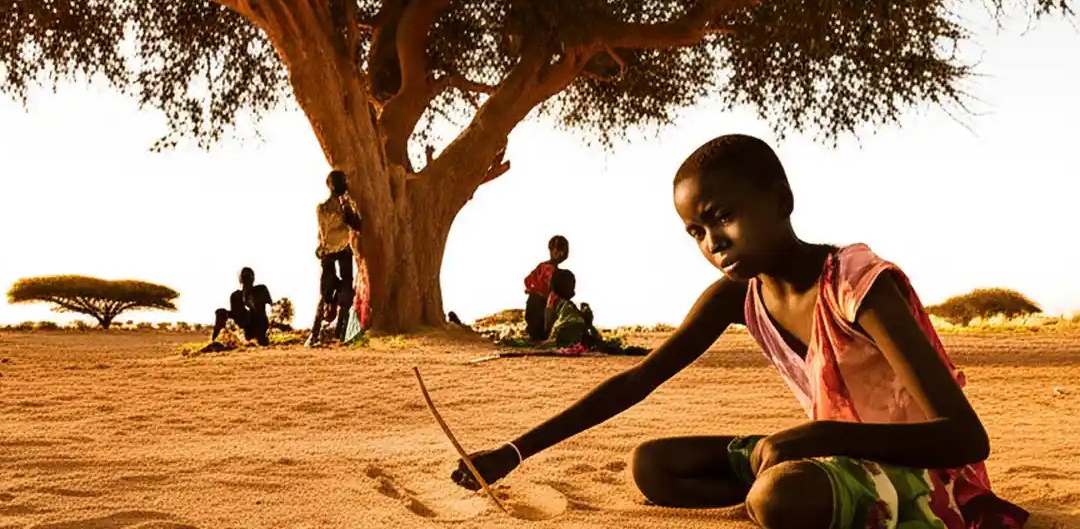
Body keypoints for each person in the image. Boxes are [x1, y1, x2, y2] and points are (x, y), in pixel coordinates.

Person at [452, 134, 1027, 529]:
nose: (713, 242)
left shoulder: (858, 283)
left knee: (781, 493)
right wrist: (512, 452)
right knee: (653, 466)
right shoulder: (739, 296)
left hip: (931, 476)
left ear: (781, 202)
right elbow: (639, 378)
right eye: (696, 231)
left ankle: (794, 497)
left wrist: (818, 438)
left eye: (723, 217)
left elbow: (965, 439)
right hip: (835, 455)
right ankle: (800, 495)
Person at [309, 170, 361, 346]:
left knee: (345, 291)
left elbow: (356, 225)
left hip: (344, 251)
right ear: (330, 185)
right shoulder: (323, 208)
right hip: (329, 253)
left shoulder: (346, 206)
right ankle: (315, 334)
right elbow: (323, 232)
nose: (341, 185)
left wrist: (348, 209)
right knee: (326, 292)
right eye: (338, 182)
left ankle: (341, 334)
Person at [523, 235, 568, 341]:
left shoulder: (556, 272)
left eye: (559, 250)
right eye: (554, 250)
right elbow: (528, 280)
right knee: (537, 319)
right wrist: (534, 289)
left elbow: (529, 280)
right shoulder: (546, 268)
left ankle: (539, 336)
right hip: (539, 300)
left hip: (543, 301)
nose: (556, 253)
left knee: (540, 320)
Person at [235, 267, 273, 346]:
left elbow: (271, 306)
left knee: (260, 340)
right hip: (252, 326)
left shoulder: (261, 290)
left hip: (260, 323)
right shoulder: (238, 296)